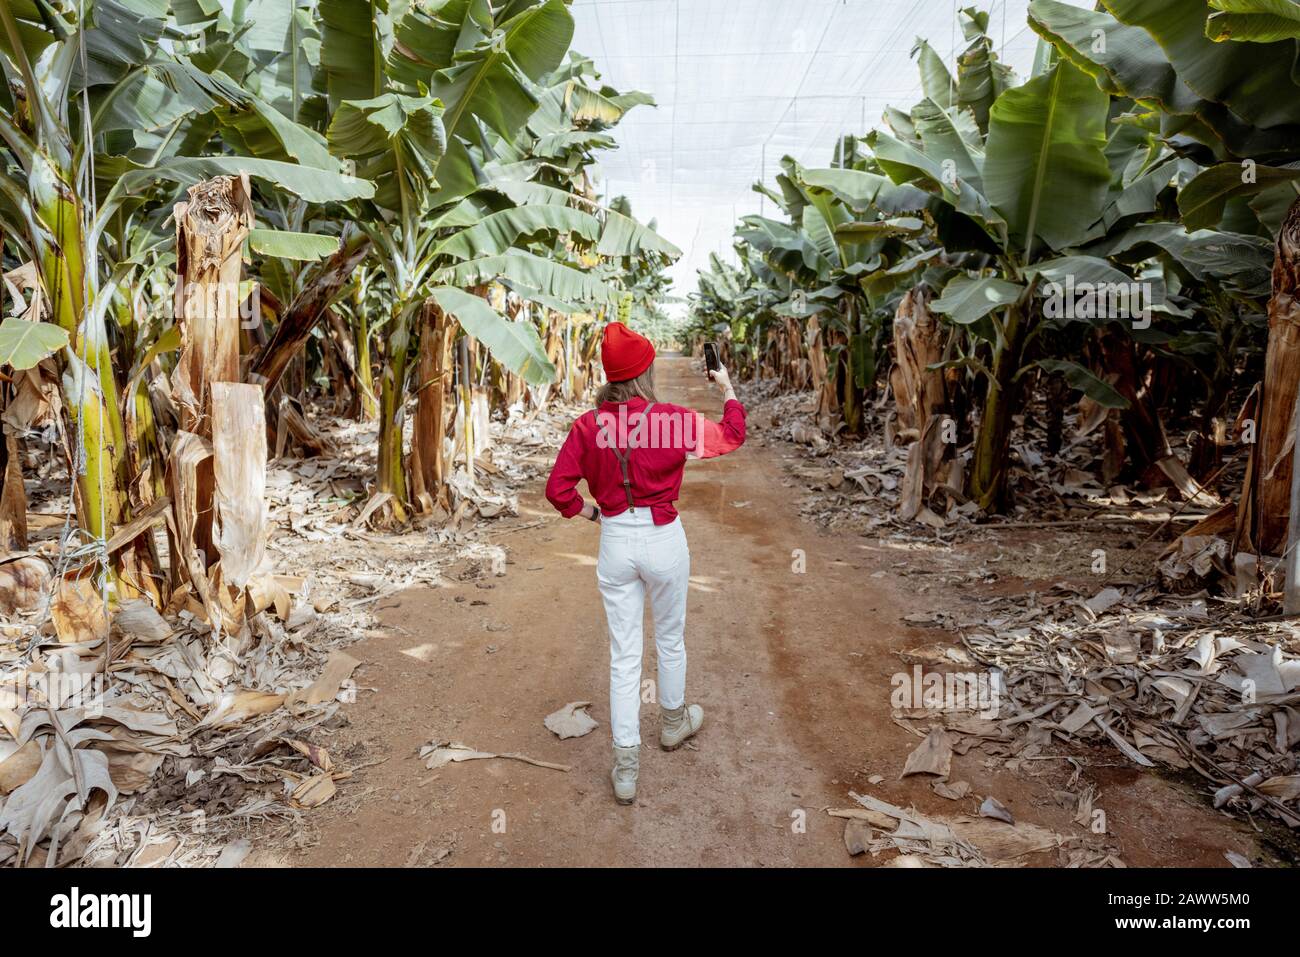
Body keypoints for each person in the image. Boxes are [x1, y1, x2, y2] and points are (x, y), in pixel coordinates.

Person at [544, 322, 746, 804]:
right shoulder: (672, 420)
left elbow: (557, 491)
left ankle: (626, 766)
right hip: (663, 540)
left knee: (624, 654)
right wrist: (728, 388)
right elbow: (732, 436)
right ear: (645, 372)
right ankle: (673, 723)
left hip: (615, 541)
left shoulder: (588, 426)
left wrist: (591, 512)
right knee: (670, 638)